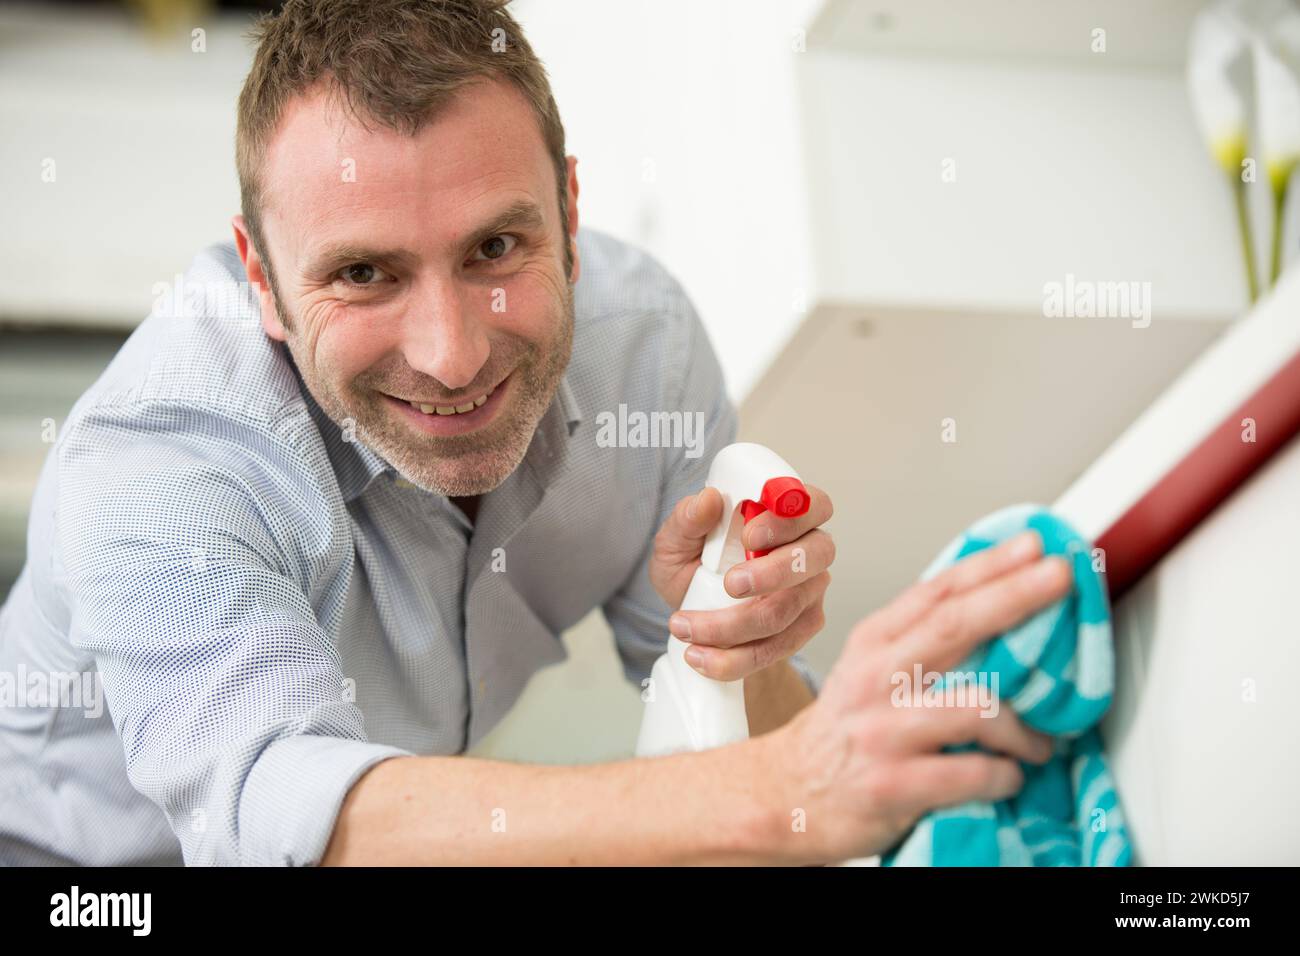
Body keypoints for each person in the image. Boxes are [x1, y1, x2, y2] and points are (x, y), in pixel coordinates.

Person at [0, 0, 1070, 866]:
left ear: (566, 207)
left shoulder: (642, 345)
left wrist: (756, 650)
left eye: (496, 247)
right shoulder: (156, 463)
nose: (452, 355)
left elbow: (746, 736)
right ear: (261, 280)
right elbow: (281, 819)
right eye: (362, 273)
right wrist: (780, 787)